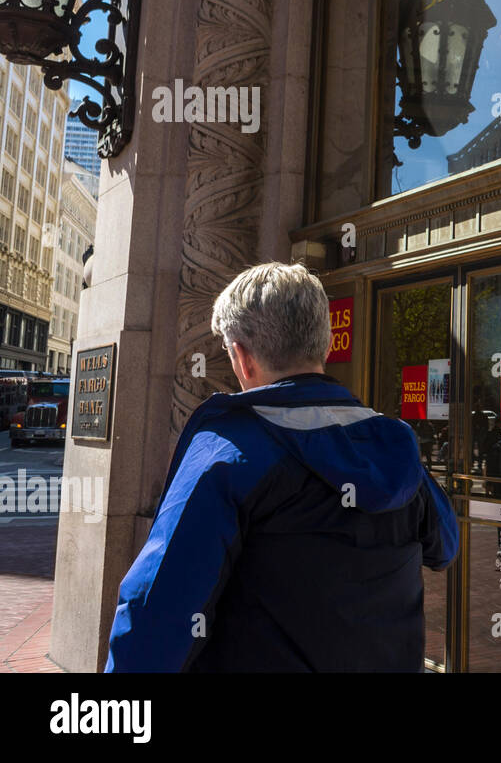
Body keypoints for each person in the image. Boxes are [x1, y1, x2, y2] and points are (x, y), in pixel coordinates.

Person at [104, 262, 458, 672]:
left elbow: (157, 613)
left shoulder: (227, 451)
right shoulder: (393, 444)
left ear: (241, 356)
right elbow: (444, 547)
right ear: (324, 347)